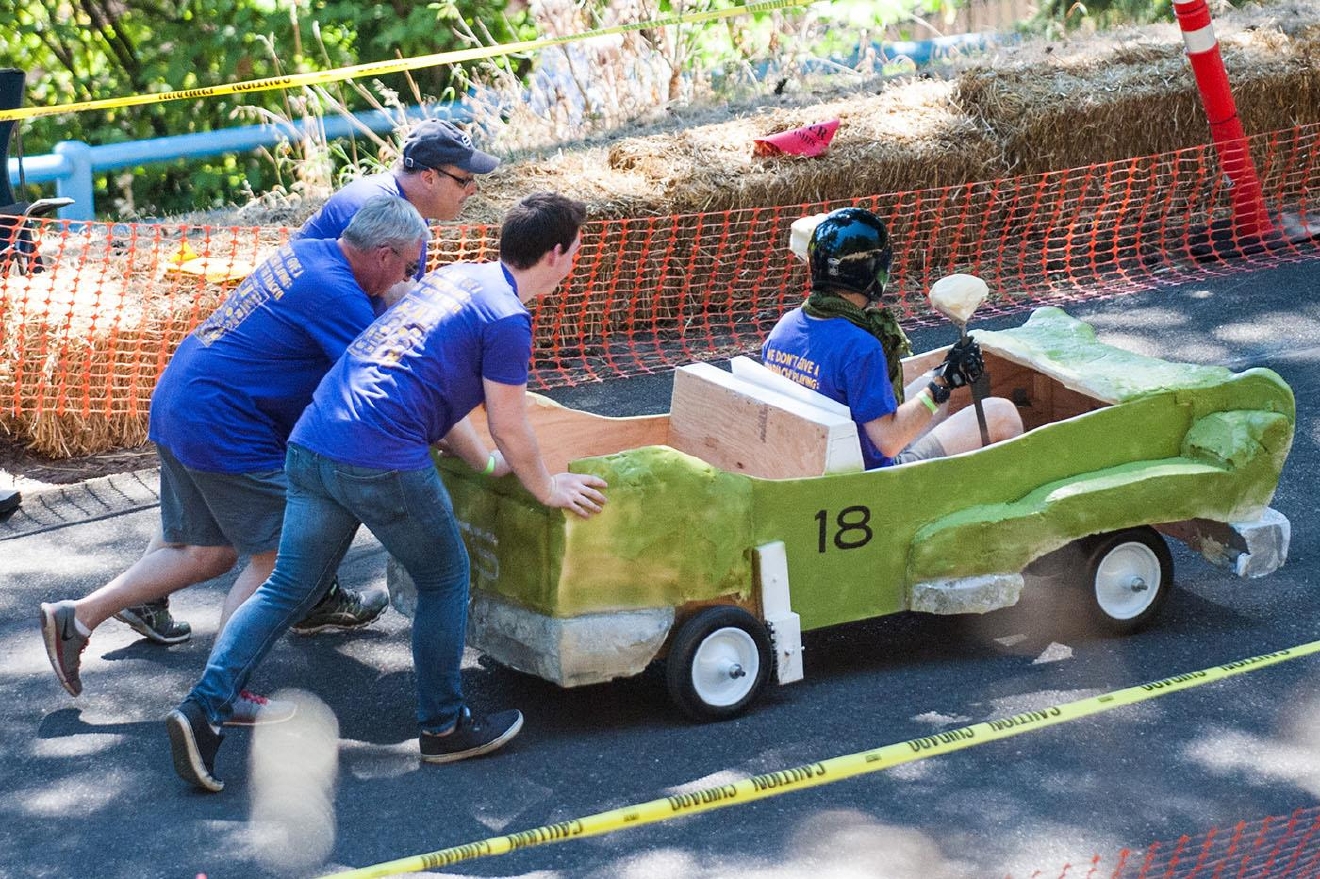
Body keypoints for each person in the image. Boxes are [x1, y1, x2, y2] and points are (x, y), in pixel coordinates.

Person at [167, 191, 607, 792]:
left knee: (286, 587)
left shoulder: (458, 278)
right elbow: (510, 420)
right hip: (379, 455)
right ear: (557, 253)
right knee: (445, 578)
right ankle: (445, 727)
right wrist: (546, 486)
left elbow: (427, 382)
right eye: (578, 250)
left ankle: (203, 707)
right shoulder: (506, 318)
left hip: (314, 440)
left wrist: (485, 465)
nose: (577, 260)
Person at [40, 195, 431, 723]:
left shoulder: (313, 253)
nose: (408, 276)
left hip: (184, 399)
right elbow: (382, 375)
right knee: (278, 558)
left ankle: (77, 617)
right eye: (408, 266)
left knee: (206, 551)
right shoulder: (337, 293)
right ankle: (222, 693)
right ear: (383, 255)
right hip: (224, 423)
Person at [763, 207, 1023, 468]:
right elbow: (888, 442)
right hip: (872, 478)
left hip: (819, 458)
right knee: (1001, 413)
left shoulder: (784, 328)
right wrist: (943, 385)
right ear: (875, 273)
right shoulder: (860, 348)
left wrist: (938, 380)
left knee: (928, 381)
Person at [294, 117, 498, 285]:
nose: (473, 190)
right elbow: (390, 305)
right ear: (429, 178)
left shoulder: (406, 207)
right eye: (464, 180)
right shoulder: (378, 209)